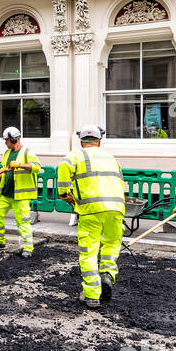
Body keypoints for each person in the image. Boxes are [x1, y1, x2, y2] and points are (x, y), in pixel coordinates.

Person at [58, 126, 125, 309]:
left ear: (81, 142)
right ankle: (108, 275)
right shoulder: (111, 158)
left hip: (91, 210)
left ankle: (92, 296)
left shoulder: (75, 155)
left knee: (88, 253)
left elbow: (63, 176)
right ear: (99, 141)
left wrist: (68, 197)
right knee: (111, 244)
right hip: (117, 209)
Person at [0, 126, 41, 257]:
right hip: (6, 194)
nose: (5, 143)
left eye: (6, 140)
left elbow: (37, 168)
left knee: (23, 222)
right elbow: (4, 170)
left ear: (13, 139)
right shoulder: (7, 153)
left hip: (20, 196)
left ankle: (27, 248)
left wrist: (20, 165)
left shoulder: (27, 152)